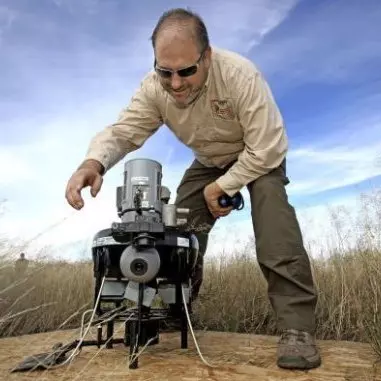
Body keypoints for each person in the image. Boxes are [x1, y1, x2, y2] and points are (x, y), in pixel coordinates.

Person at [65, 8, 321, 370]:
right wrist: (92, 163)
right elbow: (123, 132)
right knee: (175, 232)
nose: (176, 83)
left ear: (207, 56)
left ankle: (297, 329)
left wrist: (224, 185)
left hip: (258, 155)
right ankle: (173, 310)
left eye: (186, 71)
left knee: (273, 224)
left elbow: (268, 147)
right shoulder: (155, 88)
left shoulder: (240, 75)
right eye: (164, 71)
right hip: (208, 160)